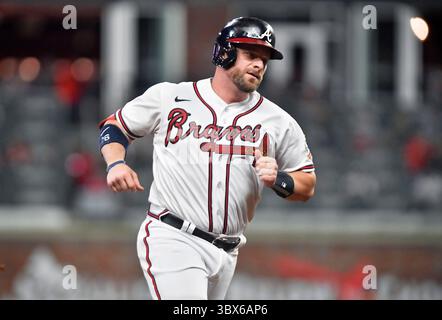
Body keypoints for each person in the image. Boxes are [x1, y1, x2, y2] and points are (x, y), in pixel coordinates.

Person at [99, 17, 316, 300]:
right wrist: (116, 164)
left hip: (228, 251)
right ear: (224, 52)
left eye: (265, 59)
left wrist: (280, 180)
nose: (259, 65)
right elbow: (114, 126)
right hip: (173, 235)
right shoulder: (171, 96)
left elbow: (308, 185)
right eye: (250, 54)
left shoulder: (278, 121)